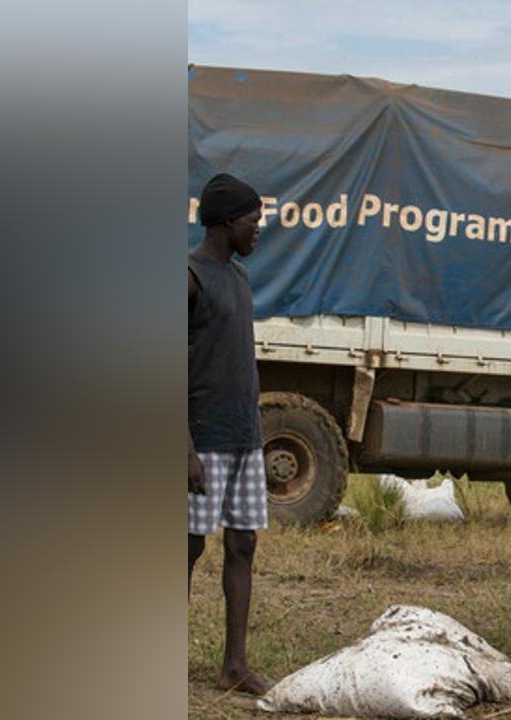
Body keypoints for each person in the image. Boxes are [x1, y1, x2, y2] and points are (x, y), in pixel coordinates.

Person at [187, 173, 272, 696]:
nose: (258, 231)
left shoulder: (238, 277)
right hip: (202, 439)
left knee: (242, 545)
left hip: (244, 437)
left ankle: (234, 666)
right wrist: (184, 448)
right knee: (186, 548)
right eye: (251, 222)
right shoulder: (189, 276)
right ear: (224, 223)